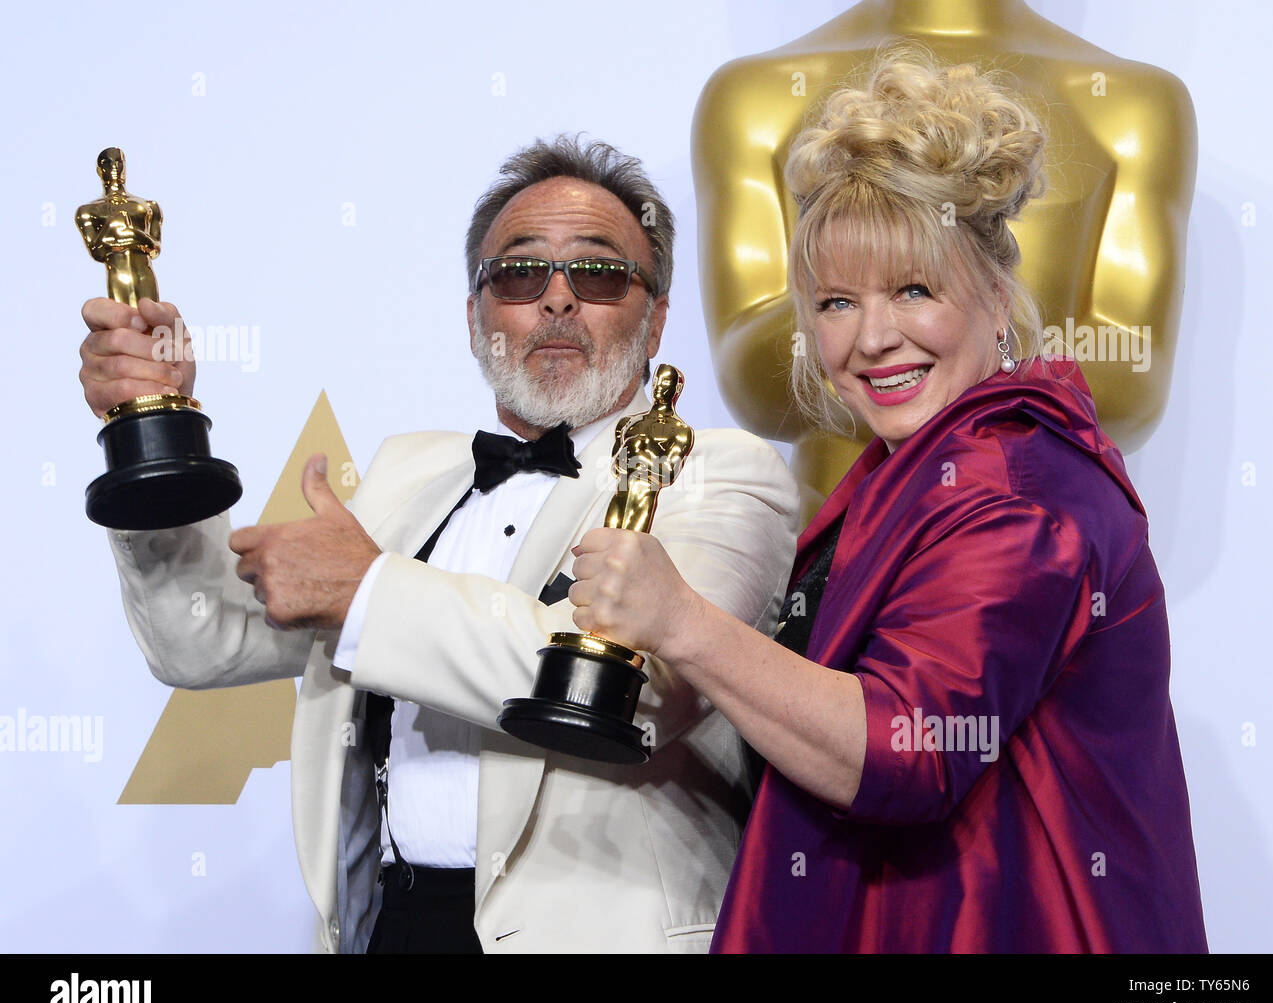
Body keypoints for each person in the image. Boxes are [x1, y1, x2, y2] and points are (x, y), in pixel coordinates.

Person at [79, 136, 799, 953]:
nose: (558, 300)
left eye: (597, 273)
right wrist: (151, 440)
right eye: (521, 273)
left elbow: (640, 694)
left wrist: (367, 591)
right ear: (474, 317)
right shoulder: (405, 472)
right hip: (394, 927)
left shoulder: (722, 472)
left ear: (657, 315)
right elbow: (198, 638)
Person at [569, 53, 1208, 953]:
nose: (871, 338)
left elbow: (906, 749)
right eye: (835, 301)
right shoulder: (912, 468)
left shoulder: (1018, 491)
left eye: (914, 288)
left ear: (995, 294)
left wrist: (682, 623)